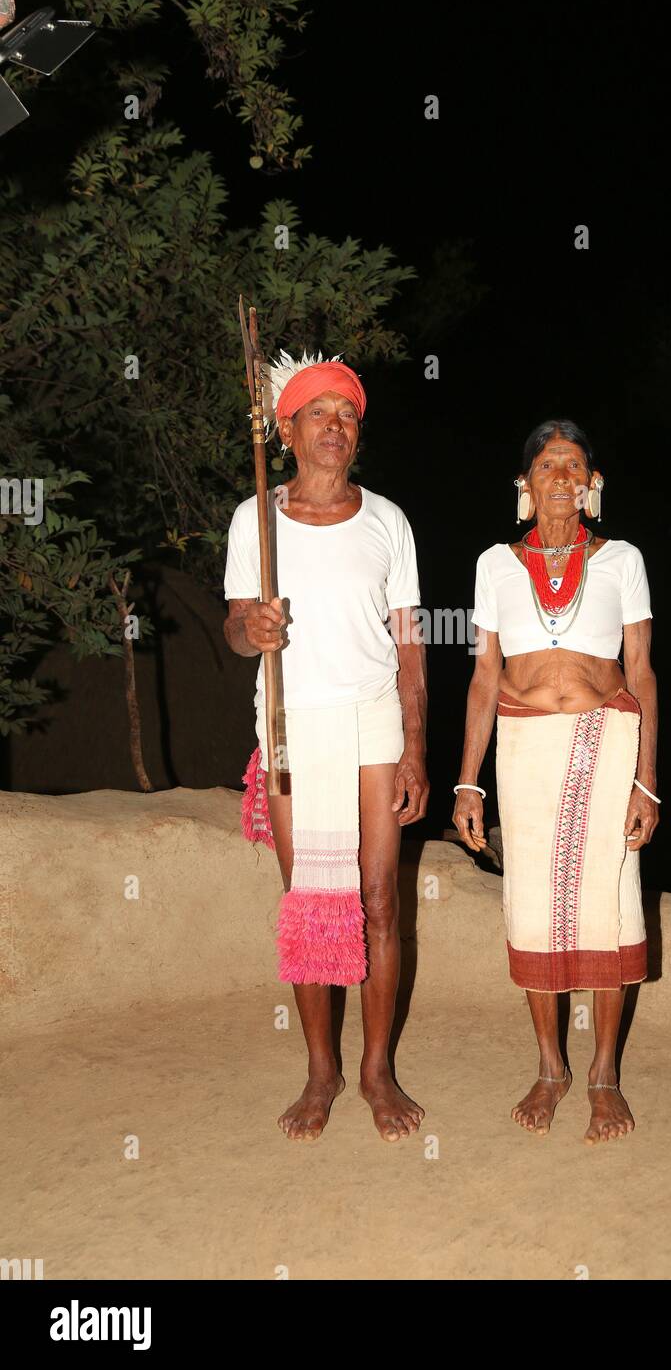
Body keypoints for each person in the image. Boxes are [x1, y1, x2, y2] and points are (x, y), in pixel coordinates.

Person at [223, 350, 429, 1143]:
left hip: (373, 719)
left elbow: (410, 646)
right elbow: (236, 629)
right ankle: (321, 1072)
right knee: (311, 903)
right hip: (290, 724)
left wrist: (415, 748)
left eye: (347, 414)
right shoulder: (256, 521)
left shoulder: (389, 522)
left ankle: (376, 1070)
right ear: (287, 429)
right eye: (320, 413)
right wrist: (254, 628)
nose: (336, 426)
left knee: (379, 902)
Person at [453, 420, 659, 1145]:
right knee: (534, 905)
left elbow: (641, 671)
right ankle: (550, 1069)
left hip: (607, 742)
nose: (562, 476)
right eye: (547, 465)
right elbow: (483, 675)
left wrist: (648, 782)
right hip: (525, 745)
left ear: (592, 484)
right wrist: (467, 782)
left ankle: (602, 1073)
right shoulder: (495, 565)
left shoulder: (623, 559)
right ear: (526, 485)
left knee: (608, 901)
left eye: (574, 465)